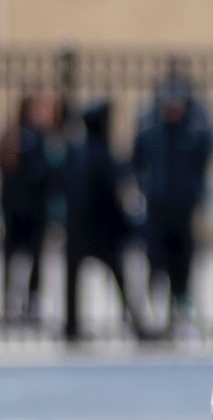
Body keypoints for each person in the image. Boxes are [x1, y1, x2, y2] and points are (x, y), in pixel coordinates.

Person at [62, 99, 154, 343]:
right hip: (101, 230)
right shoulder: (102, 156)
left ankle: (72, 324)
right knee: (119, 277)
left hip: (80, 228)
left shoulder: (77, 152)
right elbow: (113, 196)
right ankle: (134, 322)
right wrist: (127, 226)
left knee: (79, 278)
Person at [131, 75, 213, 335]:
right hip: (157, 207)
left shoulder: (194, 131)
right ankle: (157, 310)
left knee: (183, 260)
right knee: (156, 259)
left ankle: (180, 307)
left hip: (183, 207)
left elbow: (208, 153)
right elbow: (136, 160)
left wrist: (195, 191)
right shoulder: (151, 130)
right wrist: (146, 188)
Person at [1, 92, 59, 325]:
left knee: (35, 257)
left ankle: (32, 302)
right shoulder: (12, 138)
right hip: (16, 207)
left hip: (36, 208)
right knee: (13, 255)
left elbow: (47, 174)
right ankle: (10, 302)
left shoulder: (44, 139)